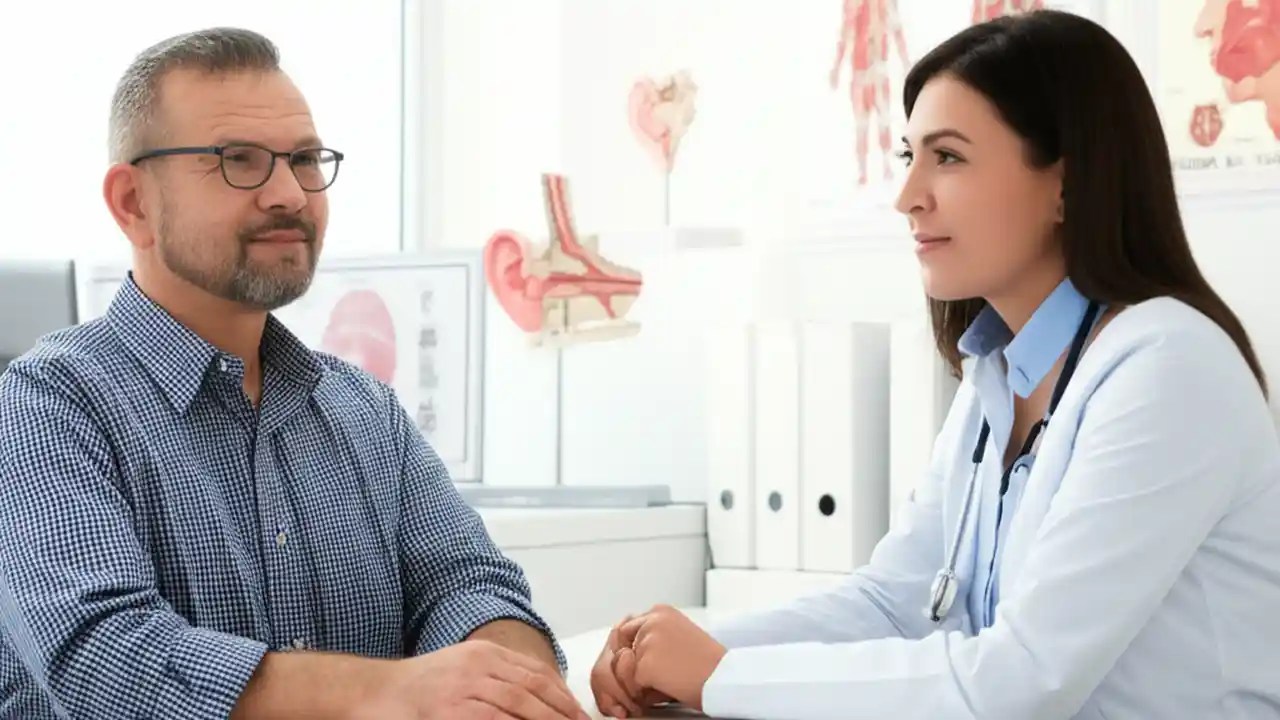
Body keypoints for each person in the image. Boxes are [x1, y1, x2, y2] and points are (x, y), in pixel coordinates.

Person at [592, 10, 1280, 719]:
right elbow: (895, 604)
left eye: (947, 157)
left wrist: (718, 679)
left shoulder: (1167, 368)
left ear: (1066, 185)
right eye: (908, 156)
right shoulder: (998, 375)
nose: (908, 197)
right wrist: (679, 653)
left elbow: (1018, 681)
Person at [0, 28, 590, 720]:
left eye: (306, 160)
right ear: (133, 204)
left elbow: (470, 588)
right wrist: (393, 692)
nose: (289, 193)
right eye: (238, 161)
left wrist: (505, 686)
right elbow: (106, 660)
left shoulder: (363, 409)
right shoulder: (46, 407)